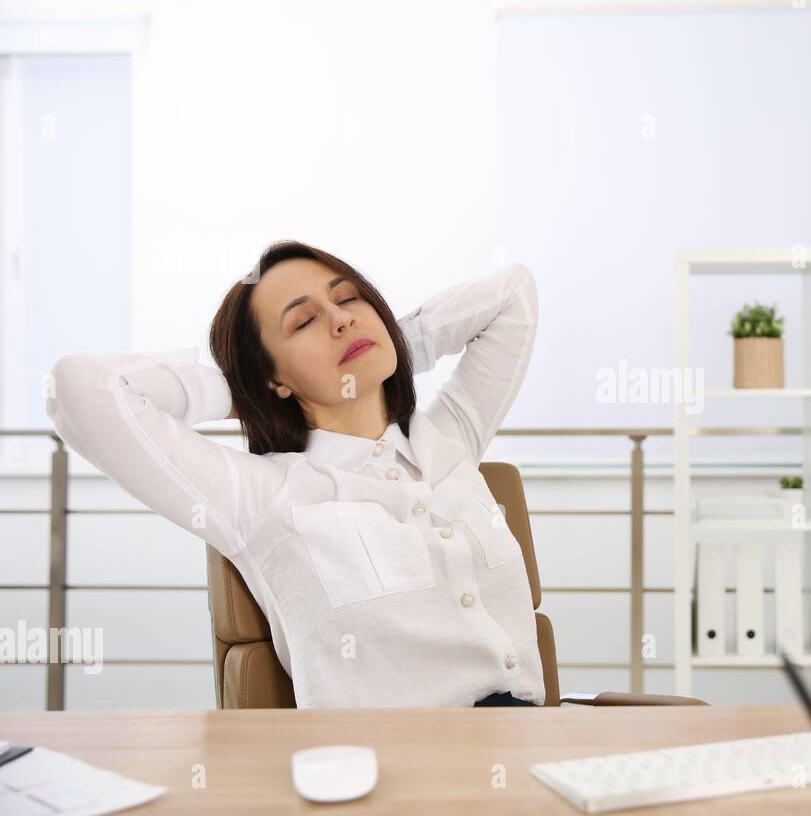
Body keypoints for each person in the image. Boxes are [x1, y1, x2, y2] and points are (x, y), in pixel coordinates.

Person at [46, 240, 543, 708]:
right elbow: (80, 388)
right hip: (388, 778)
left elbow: (513, 293)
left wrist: (394, 341)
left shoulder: (448, 441)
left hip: (530, 752)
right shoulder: (264, 496)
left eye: (348, 298)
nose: (341, 320)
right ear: (274, 377)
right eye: (304, 321)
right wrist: (240, 386)